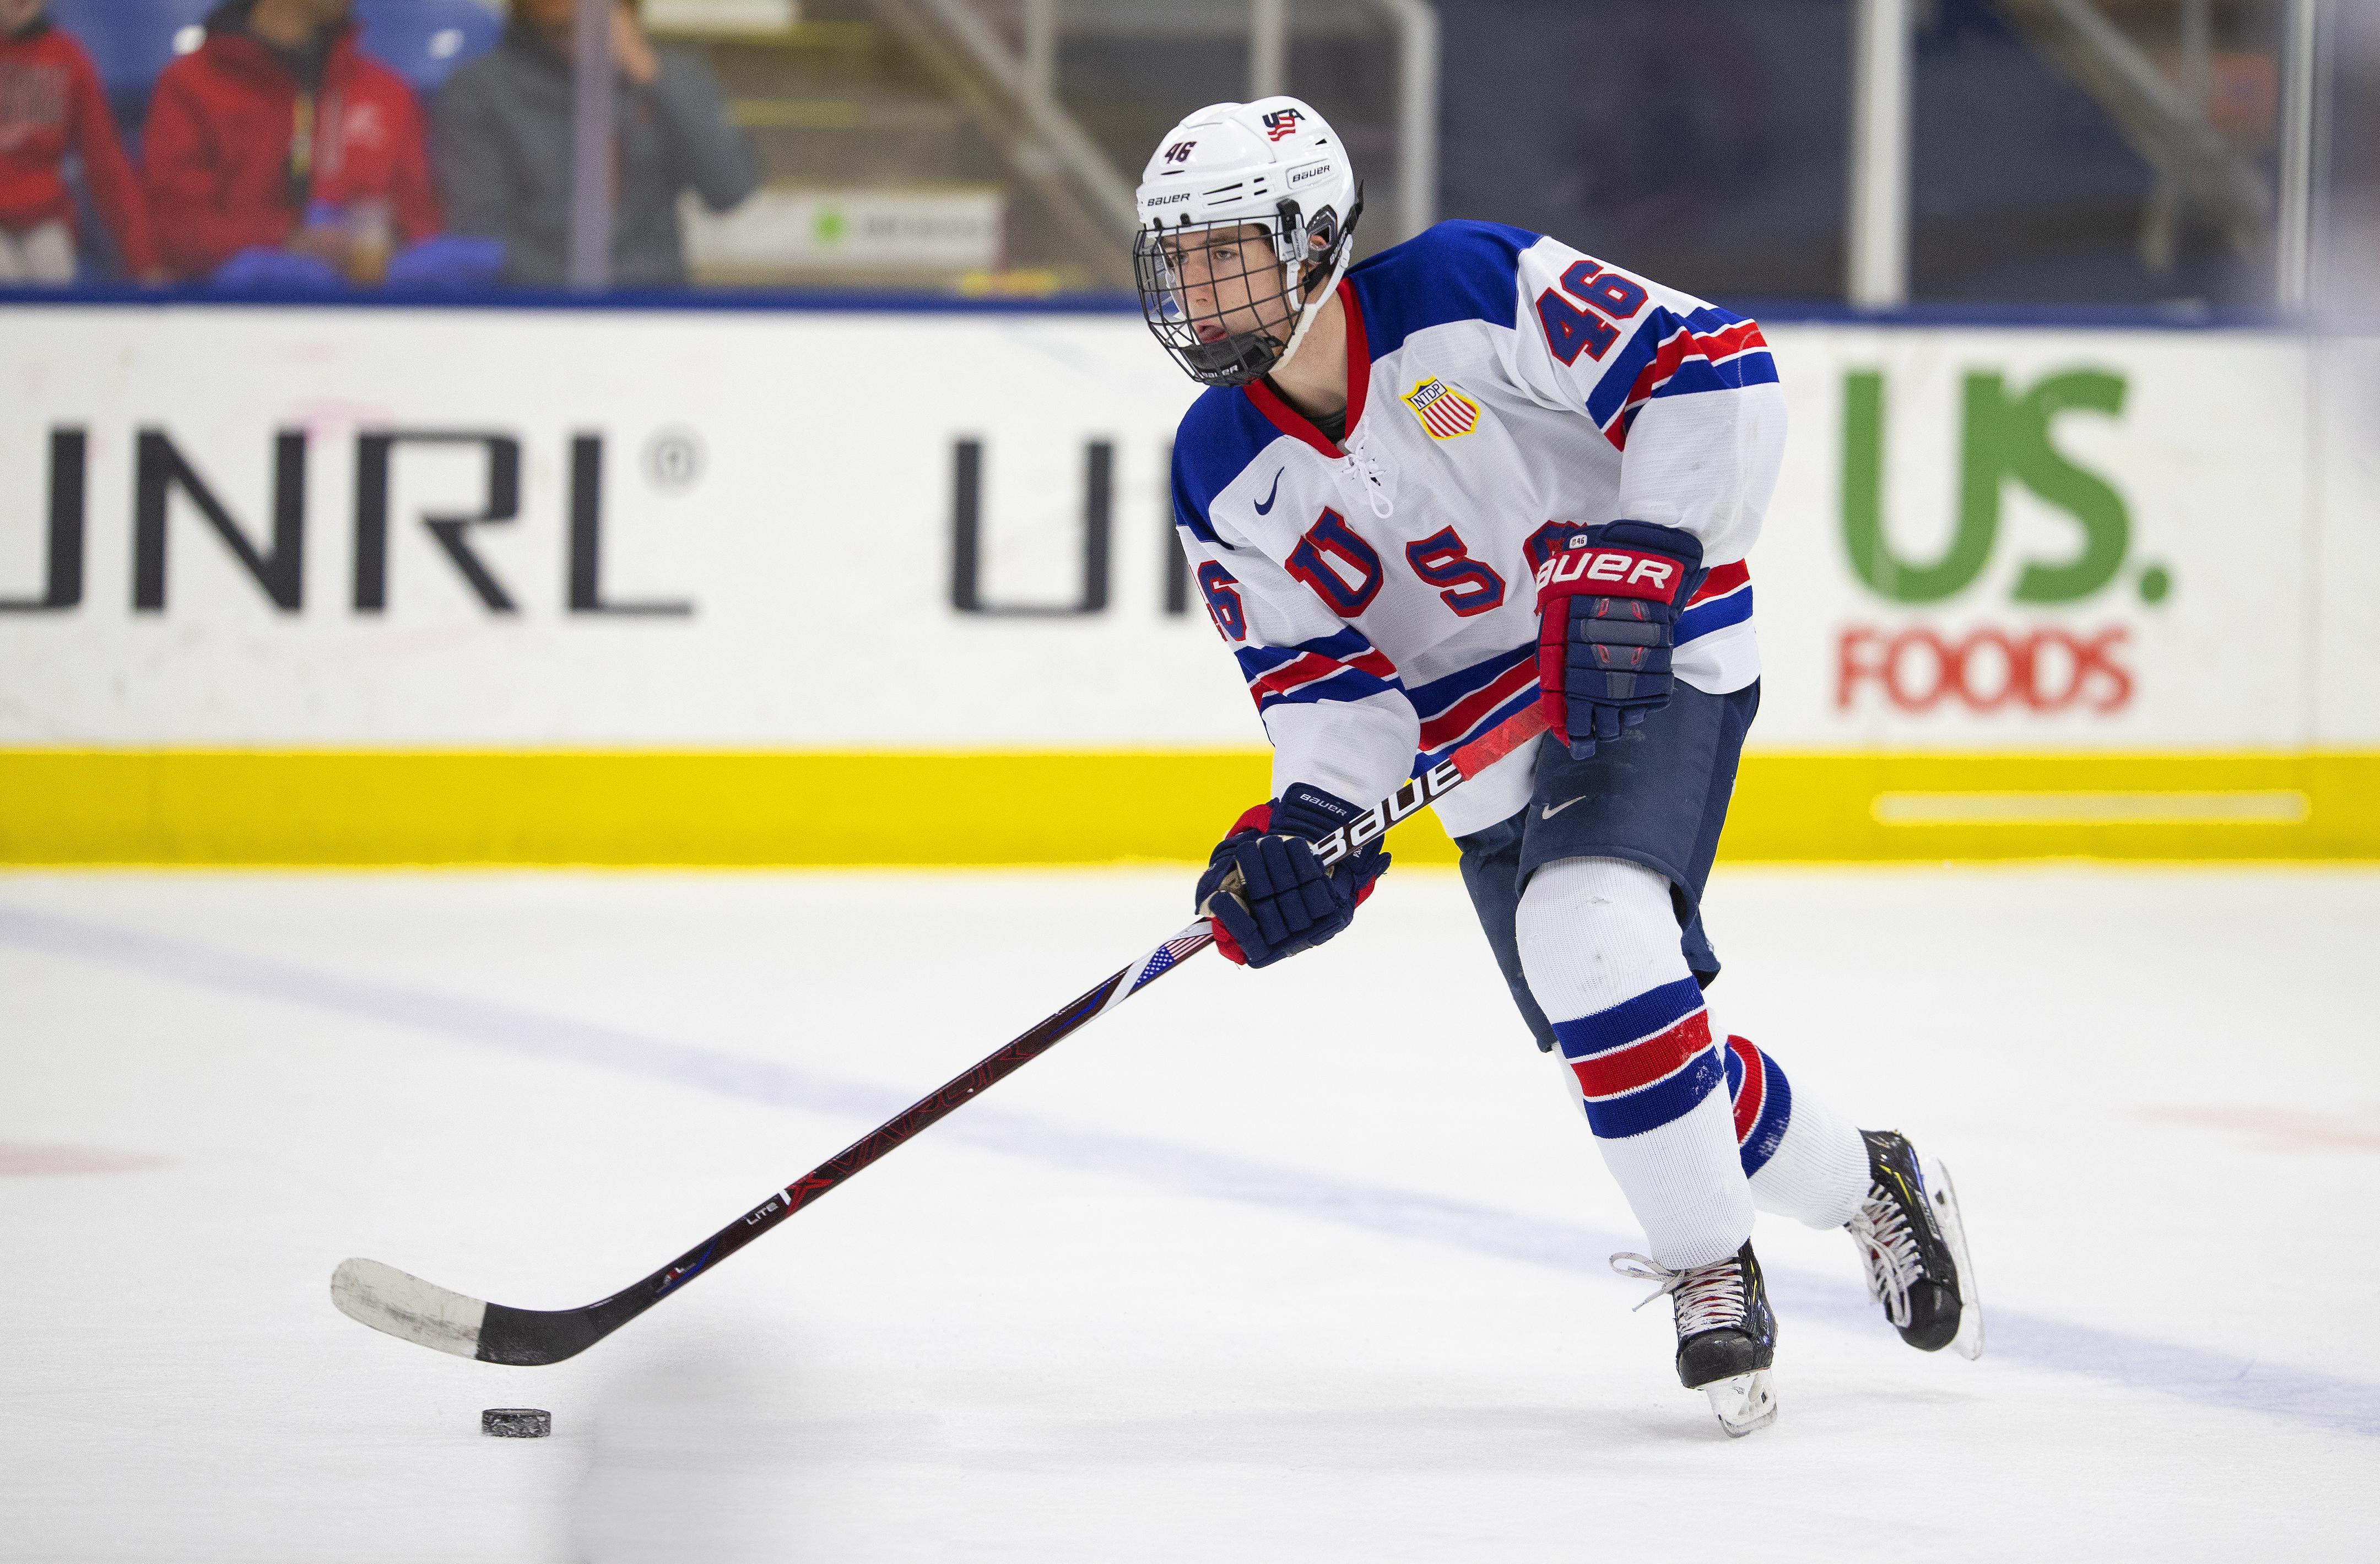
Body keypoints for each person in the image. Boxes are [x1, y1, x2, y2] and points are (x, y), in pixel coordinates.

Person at [1140, 98, 1983, 1436]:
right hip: (1477, 754)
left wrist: (1645, 544)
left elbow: (1711, 364)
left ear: (1311, 245)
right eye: (1178, 258)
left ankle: (1712, 1269)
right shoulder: (1214, 468)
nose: (1196, 287)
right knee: (1628, 1025)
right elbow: (1322, 690)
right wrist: (1305, 829)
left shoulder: (1467, 289)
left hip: (1639, 658)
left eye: (1226, 251)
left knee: (1585, 929)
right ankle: (1868, 1175)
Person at [430, 0, 758, 290]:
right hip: (533, 309)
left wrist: (648, 72)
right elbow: (481, 229)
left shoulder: (672, 77)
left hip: (656, 303)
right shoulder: (478, 89)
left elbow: (730, 189)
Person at [142, 0, 441, 286]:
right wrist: (287, 238)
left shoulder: (387, 92)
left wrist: (389, 243)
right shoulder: (191, 85)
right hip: (233, 316)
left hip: (374, 316)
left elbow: (421, 222)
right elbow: (176, 228)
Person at [0, 0, 159, 284]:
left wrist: (143, 259)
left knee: (51, 271)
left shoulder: (67, 57)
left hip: (44, 219)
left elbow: (105, 164)